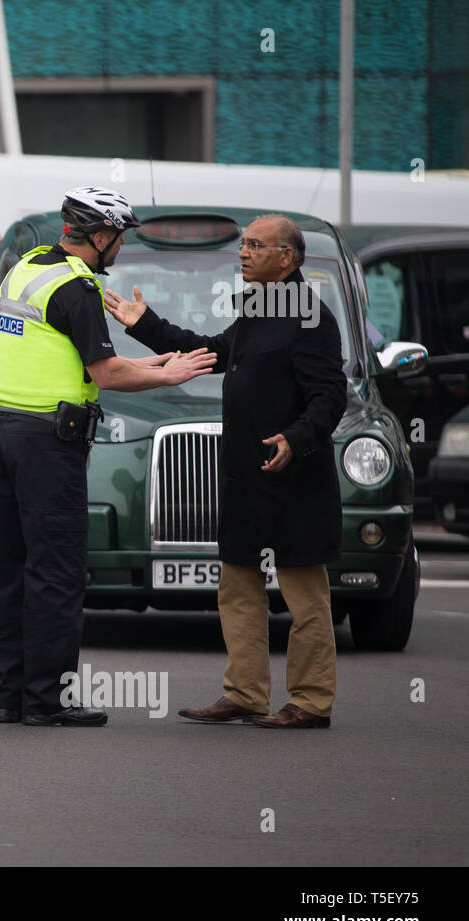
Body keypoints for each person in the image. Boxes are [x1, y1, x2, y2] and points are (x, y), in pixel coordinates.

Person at [0, 187, 216, 726]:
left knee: (5, 568)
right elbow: (106, 373)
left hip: (0, 431)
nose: (121, 249)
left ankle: (7, 696)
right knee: (57, 572)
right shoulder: (77, 288)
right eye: (120, 237)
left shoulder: (26, 268)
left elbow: (54, 349)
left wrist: (152, 362)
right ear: (100, 236)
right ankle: (47, 700)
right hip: (46, 443)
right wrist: (168, 374)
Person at [104, 215, 347, 729]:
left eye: (255, 246)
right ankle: (245, 693)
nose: (243, 253)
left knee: (305, 597)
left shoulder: (311, 317)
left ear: (288, 257)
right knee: (238, 588)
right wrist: (144, 323)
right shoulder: (261, 308)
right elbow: (213, 351)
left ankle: (310, 701)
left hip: (293, 481)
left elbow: (330, 398)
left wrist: (295, 439)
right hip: (246, 480)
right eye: (243, 244)